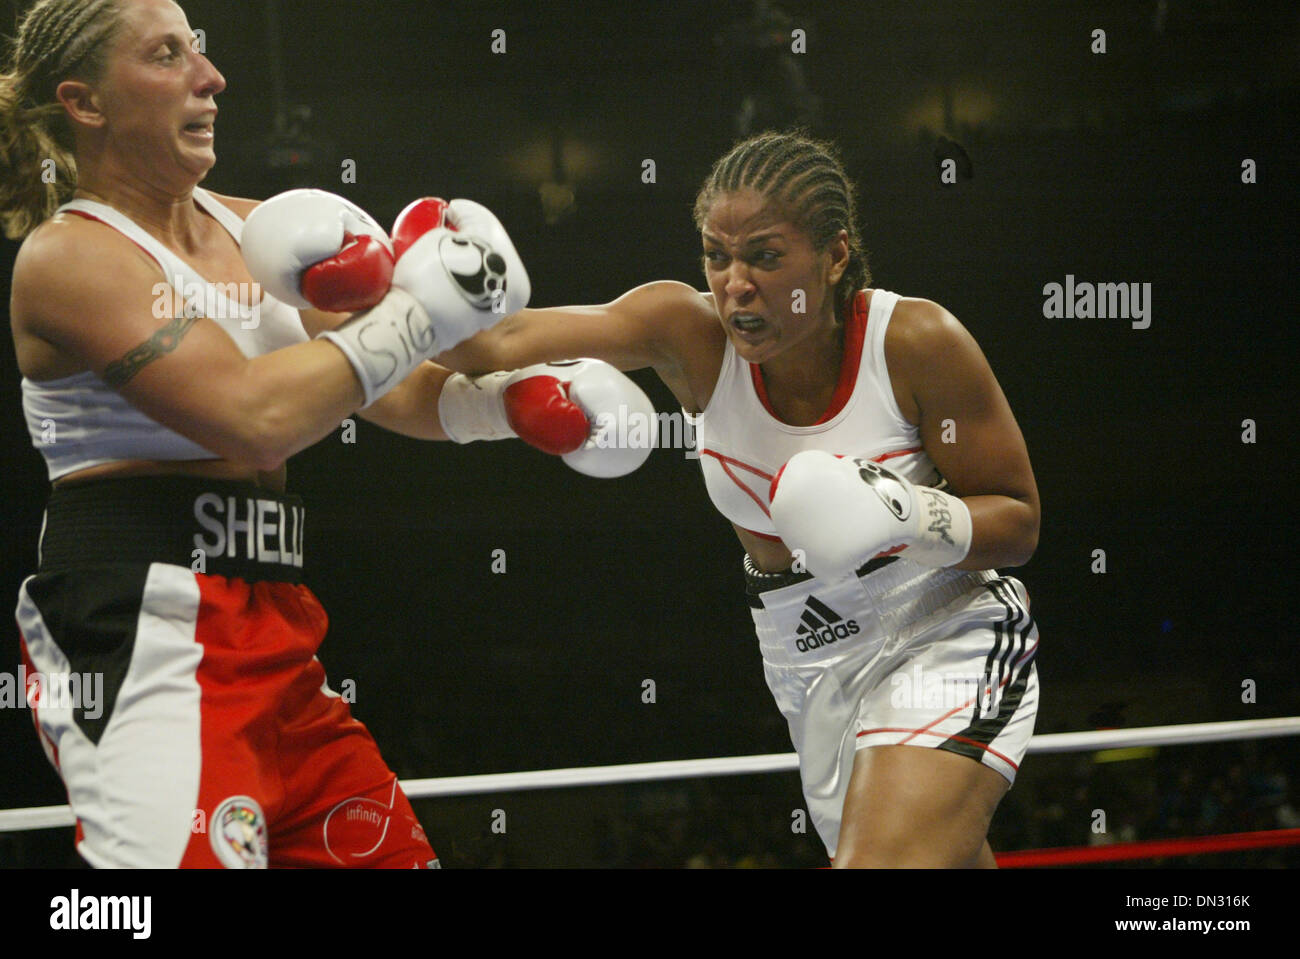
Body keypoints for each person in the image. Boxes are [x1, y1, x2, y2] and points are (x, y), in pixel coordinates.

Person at [2, 0, 650, 868]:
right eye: (167, 55)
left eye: (199, 48)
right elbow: (255, 416)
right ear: (85, 103)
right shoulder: (70, 257)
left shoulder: (252, 227)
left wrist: (502, 407)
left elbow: (384, 389)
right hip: (140, 632)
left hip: (277, 631)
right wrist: (425, 307)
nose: (211, 75)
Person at [440, 130, 1043, 867]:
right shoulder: (686, 334)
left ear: (835, 255)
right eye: (716, 255)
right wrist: (418, 283)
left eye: (764, 255)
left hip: (941, 625)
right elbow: (496, 345)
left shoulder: (913, 341)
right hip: (807, 658)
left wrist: (905, 514)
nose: (735, 283)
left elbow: (1018, 519)